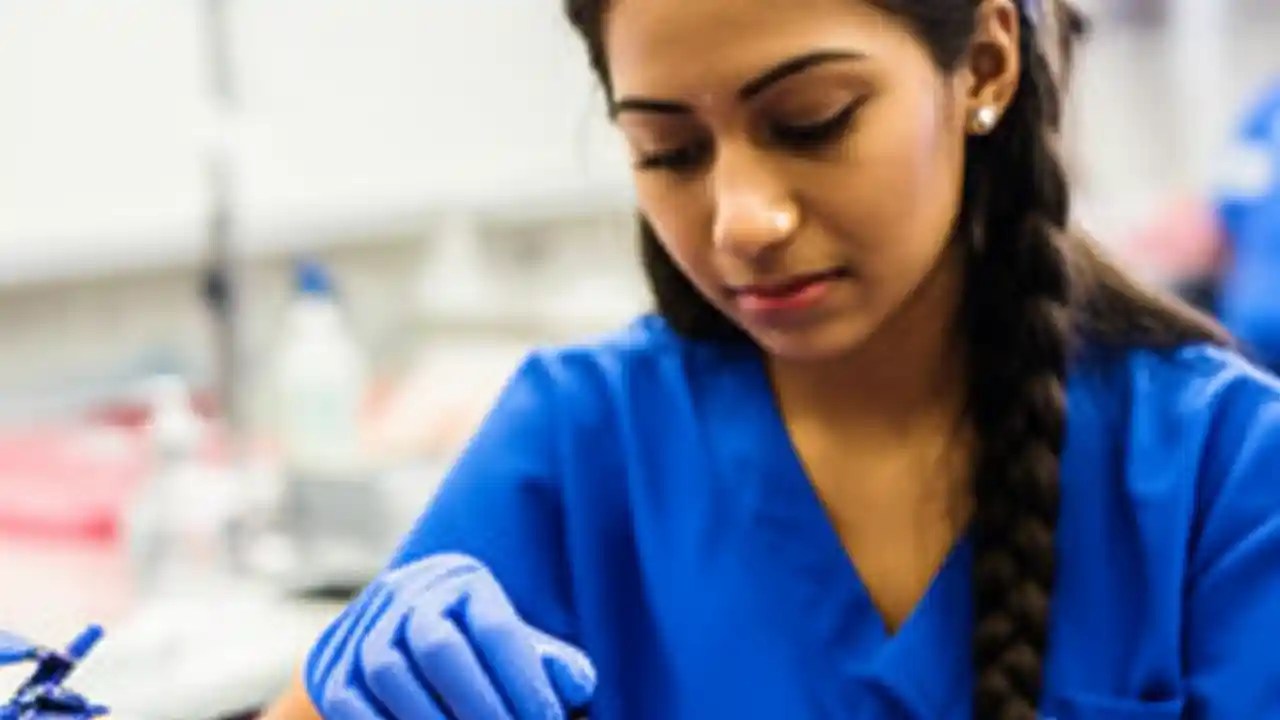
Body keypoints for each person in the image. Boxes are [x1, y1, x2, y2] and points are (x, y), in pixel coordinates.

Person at [264, 0, 1280, 718]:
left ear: (981, 66)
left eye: (810, 123)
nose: (742, 222)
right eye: (670, 152)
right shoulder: (578, 445)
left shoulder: (1221, 470)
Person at [1214, 78, 1280, 373]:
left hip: (1249, 333)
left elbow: (1224, 222)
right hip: (1253, 337)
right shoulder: (1267, 109)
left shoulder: (1268, 108)